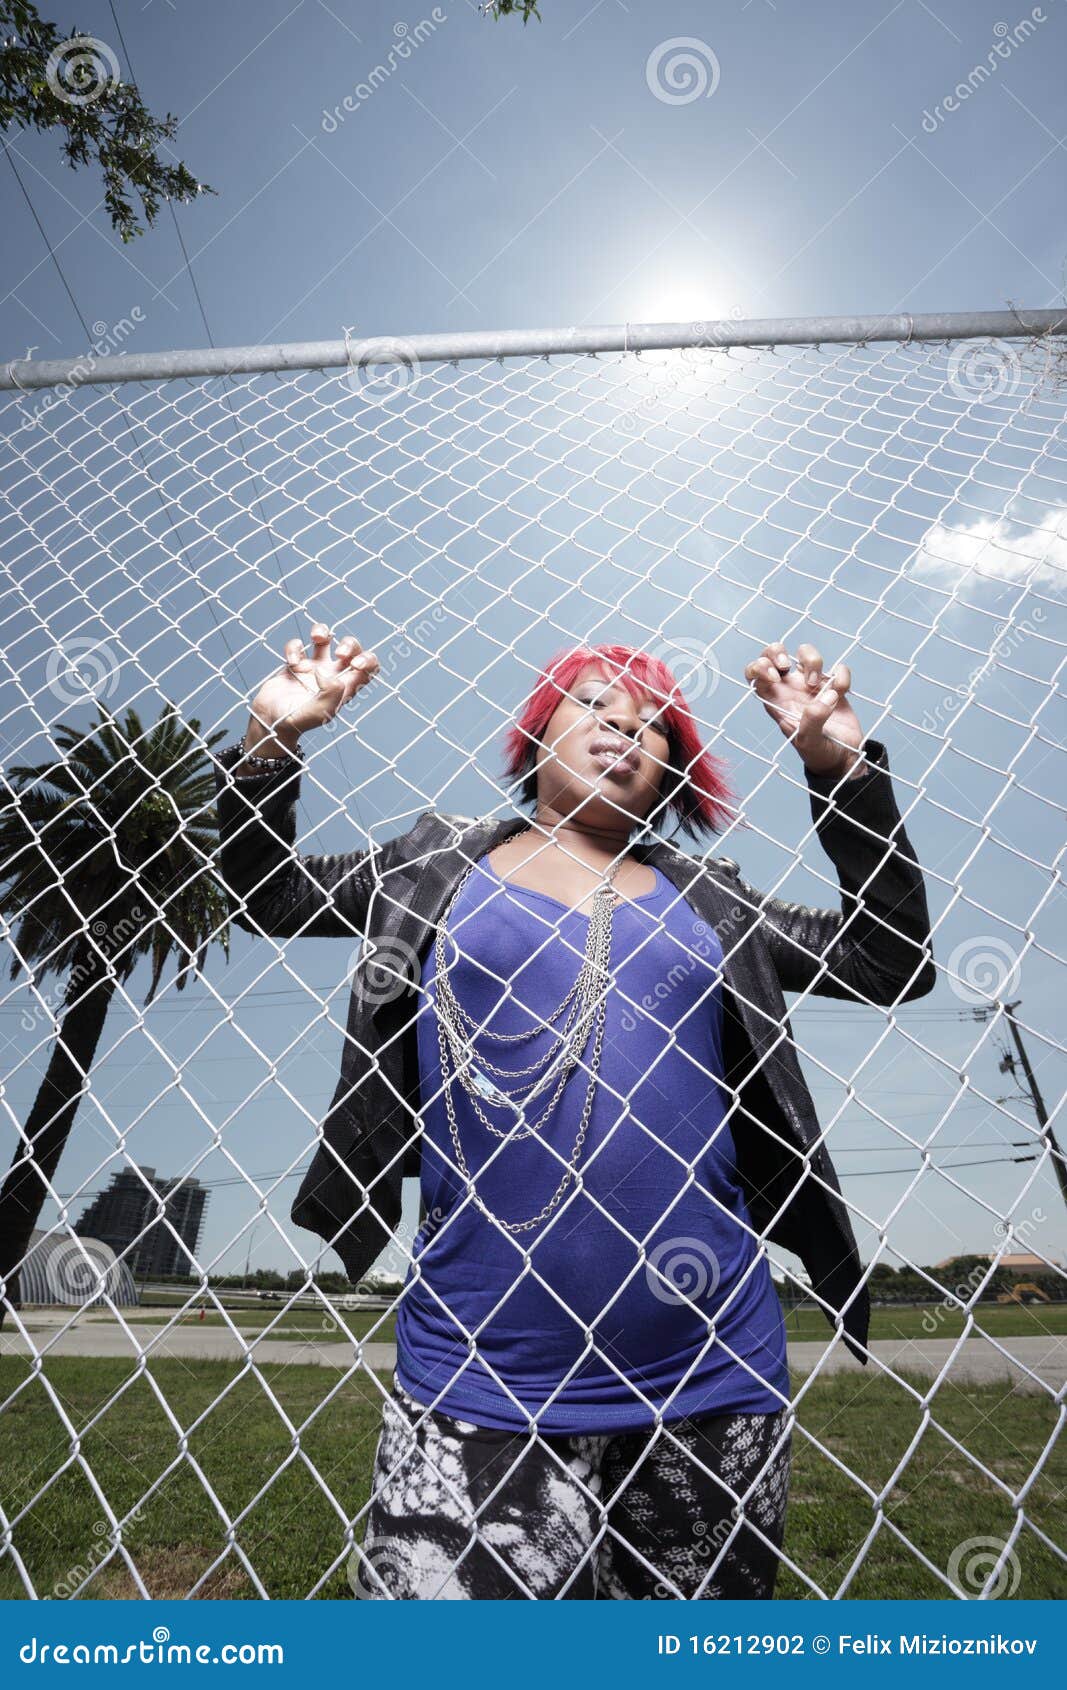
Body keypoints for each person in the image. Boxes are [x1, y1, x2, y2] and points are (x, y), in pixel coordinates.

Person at [213, 624, 935, 1600]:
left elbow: (887, 959)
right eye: (593, 704)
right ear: (534, 734)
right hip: (474, 1382)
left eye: (650, 725)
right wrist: (270, 743)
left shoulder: (709, 901)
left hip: (713, 1379)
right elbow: (266, 891)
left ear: (674, 771)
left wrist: (841, 772)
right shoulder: (430, 868)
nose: (621, 727)